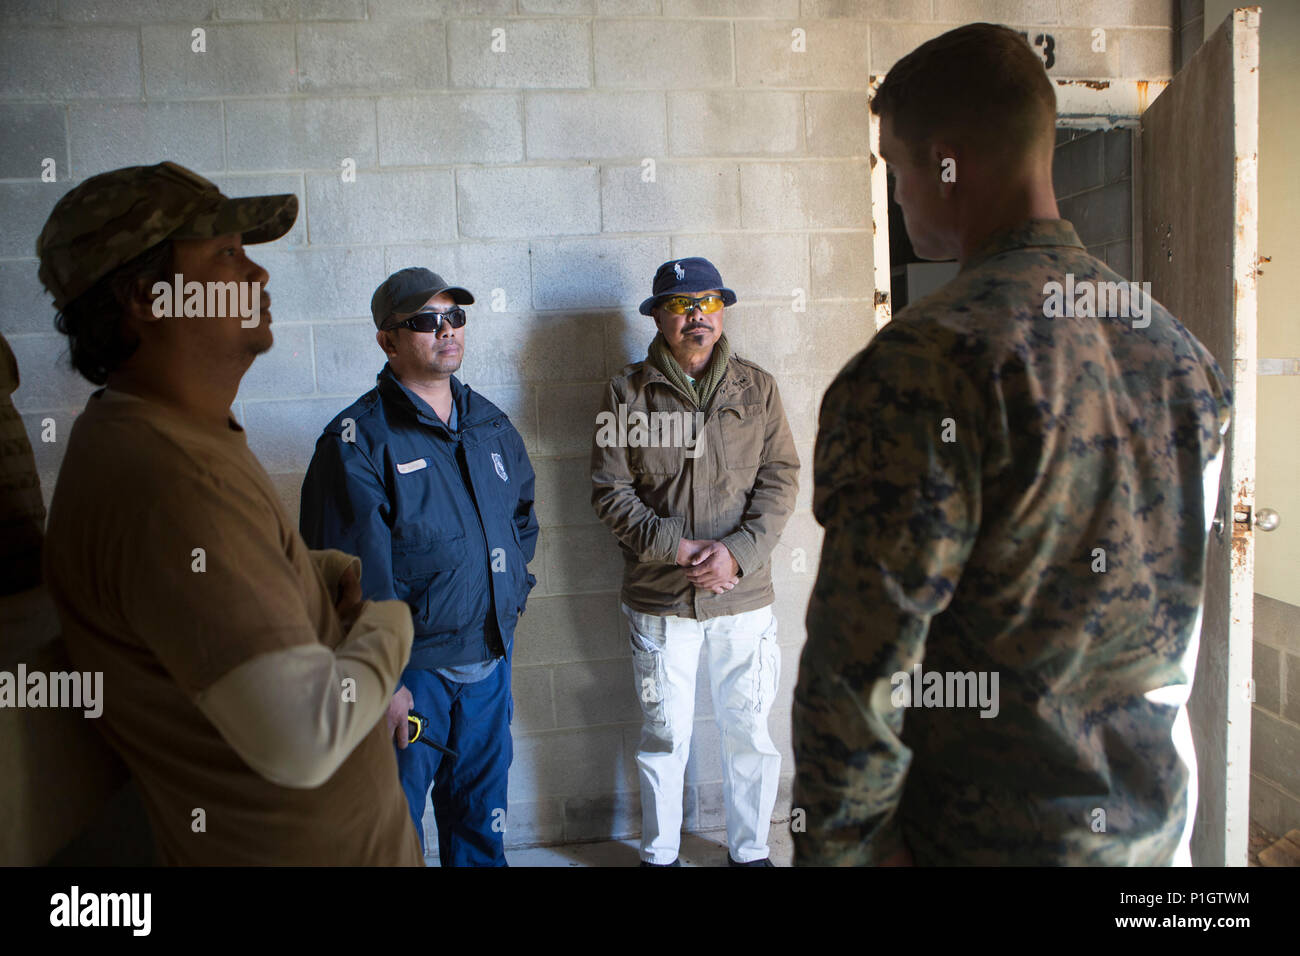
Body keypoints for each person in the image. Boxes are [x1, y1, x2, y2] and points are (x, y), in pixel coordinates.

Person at [793, 23, 1233, 866]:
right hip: (1149, 841)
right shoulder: (1180, 353)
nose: (898, 193)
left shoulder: (926, 362)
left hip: (988, 842)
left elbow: (861, 671)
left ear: (947, 161)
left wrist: (837, 851)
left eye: (896, 166)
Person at [37, 162, 422, 865]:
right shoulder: (167, 478)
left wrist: (299, 573)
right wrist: (390, 622)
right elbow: (302, 741)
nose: (258, 276)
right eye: (226, 255)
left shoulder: (175, 434)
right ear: (148, 298)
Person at [300, 267, 538, 867]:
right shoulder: (356, 441)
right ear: (388, 340)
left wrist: (508, 594)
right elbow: (339, 576)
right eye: (426, 321)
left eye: (454, 316)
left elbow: (523, 522)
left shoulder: (489, 424)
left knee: (482, 822)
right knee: (391, 831)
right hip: (410, 677)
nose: (447, 330)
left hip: (488, 663)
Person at [591, 257, 800, 866]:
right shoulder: (624, 392)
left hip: (743, 595)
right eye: (681, 305)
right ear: (657, 315)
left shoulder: (756, 388)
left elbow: (781, 479)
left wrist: (736, 554)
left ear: (723, 310)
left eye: (708, 302)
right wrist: (673, 546)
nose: (696, 316)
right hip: (661, 597)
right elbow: (610, 490)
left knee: (749, 735)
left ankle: (751, 851)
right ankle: (660, 855)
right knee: (665, 737)